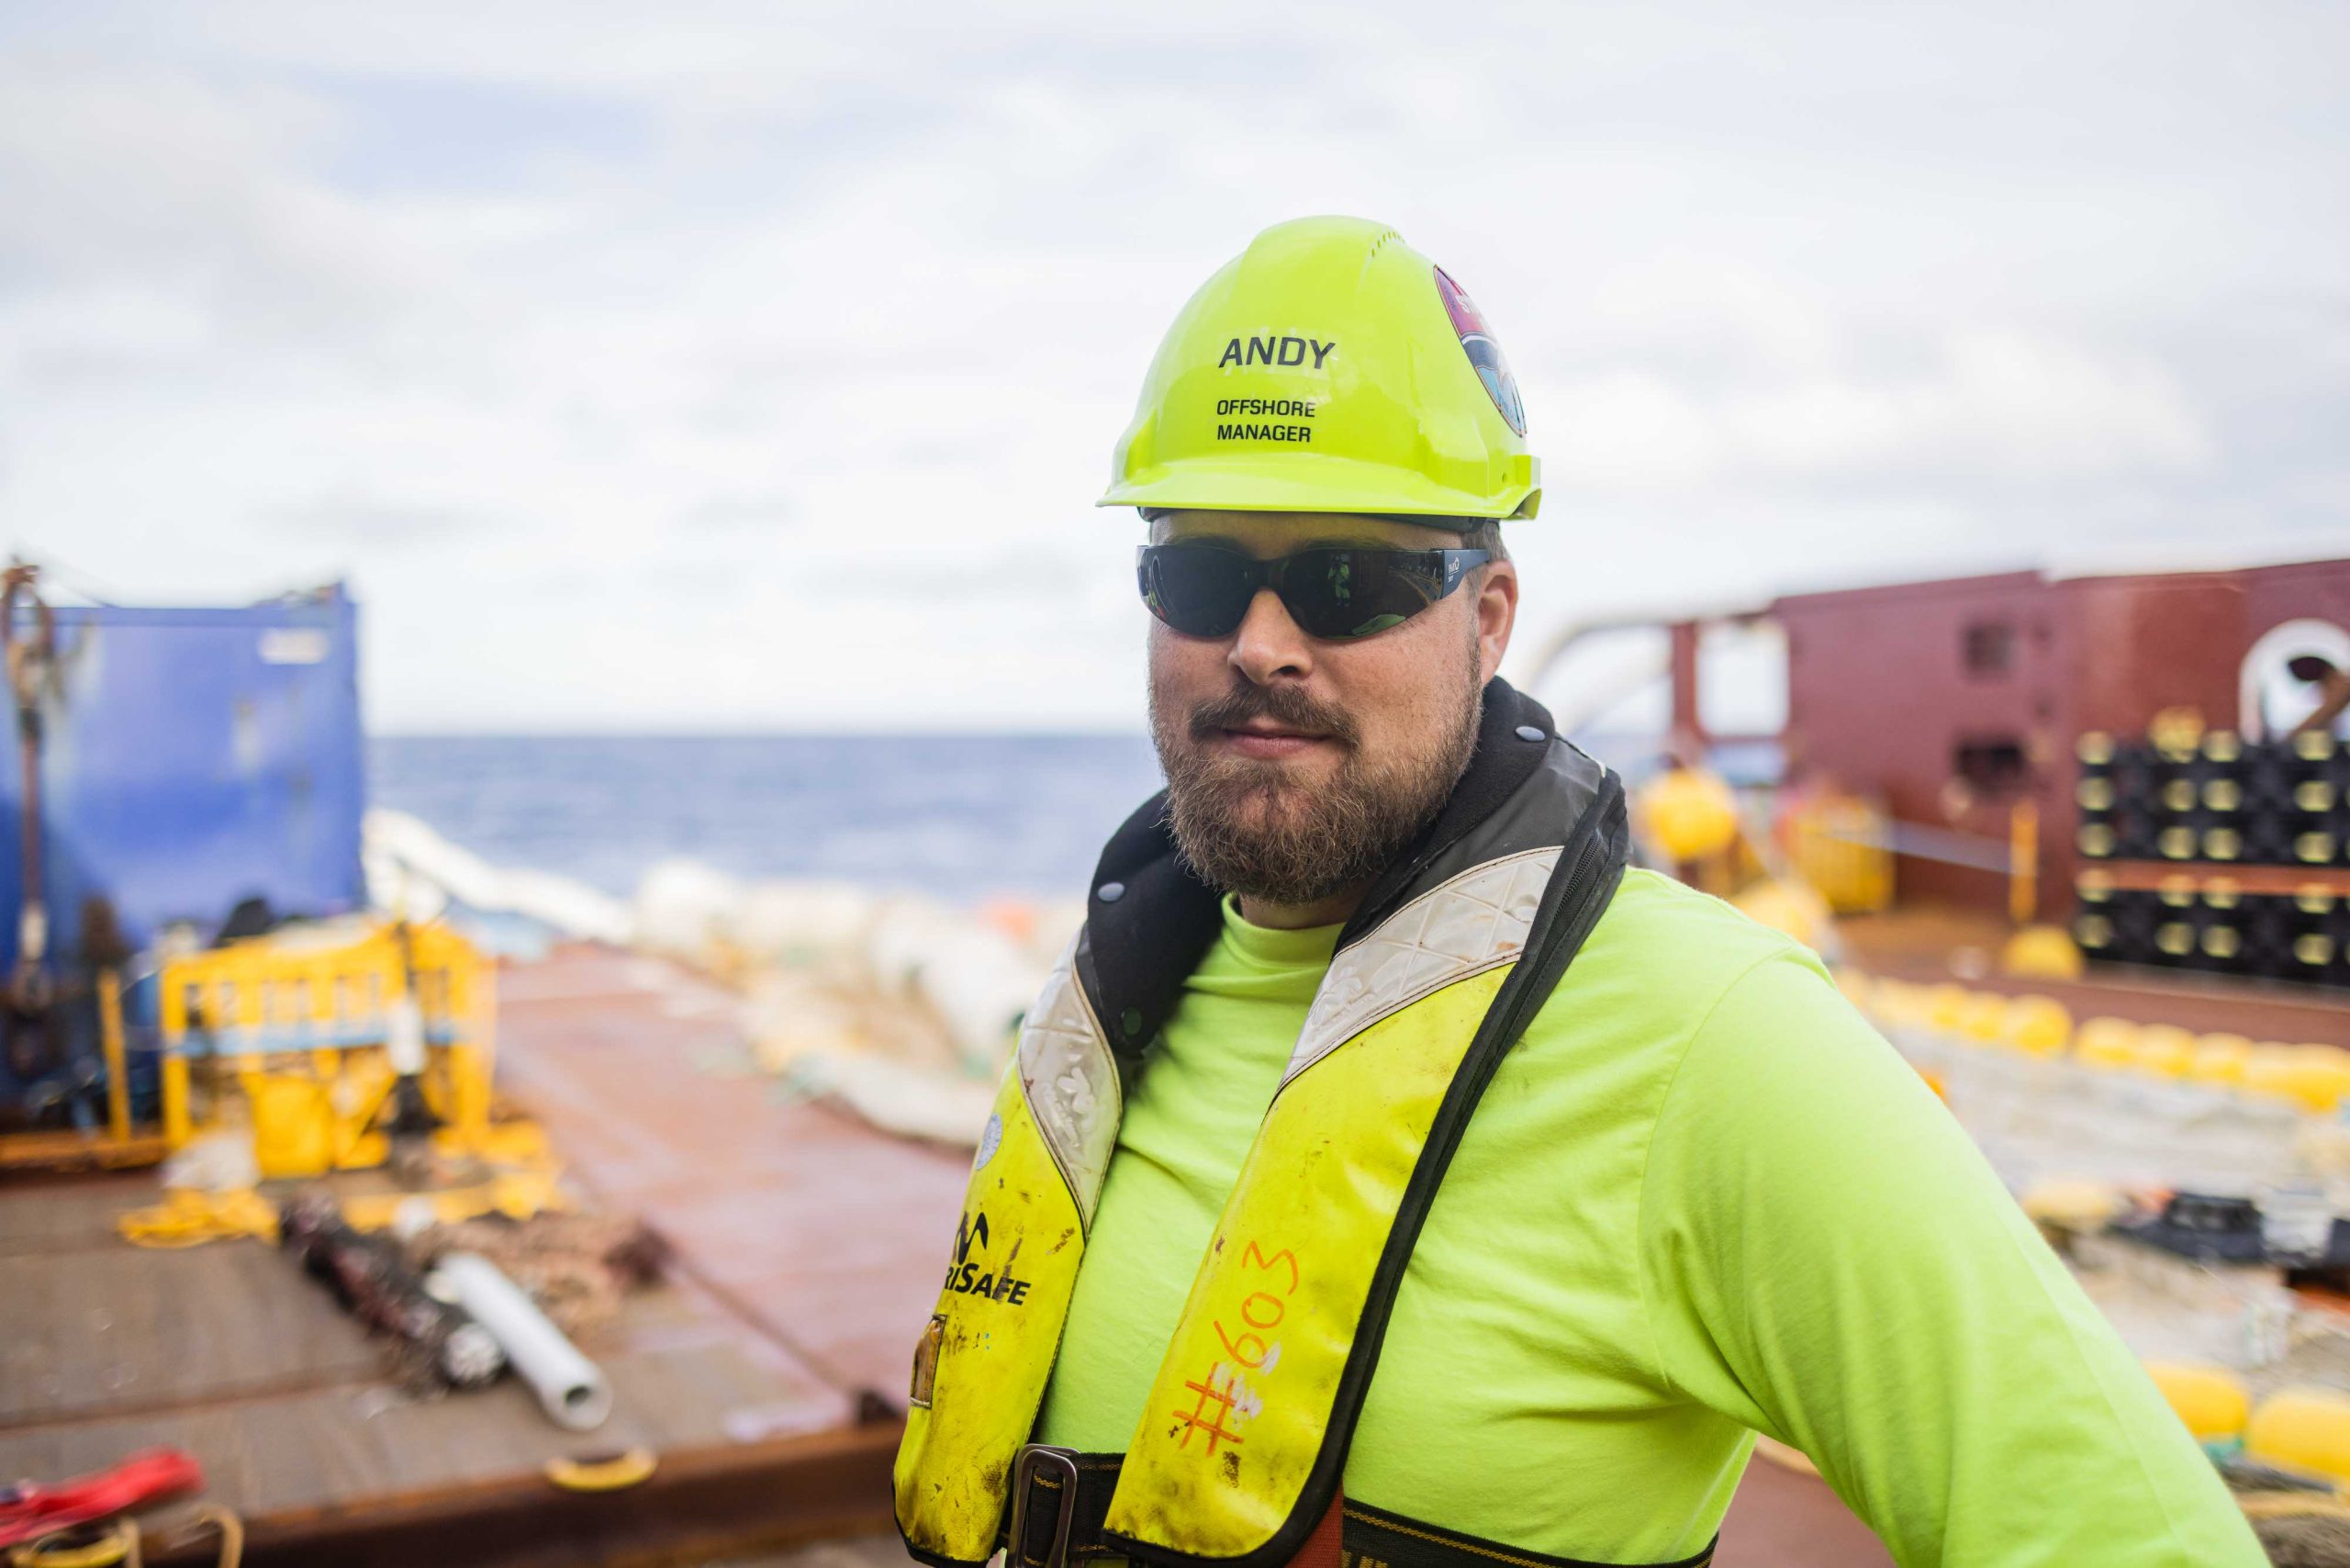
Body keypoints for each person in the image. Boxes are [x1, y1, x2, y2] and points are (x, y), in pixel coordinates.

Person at [893, 217, 2262, 1567]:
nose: (1261, 645)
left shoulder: (1710, 1040)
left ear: (1487, 618)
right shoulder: (1105, 1000)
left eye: (1345, 580)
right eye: (1198, 574)